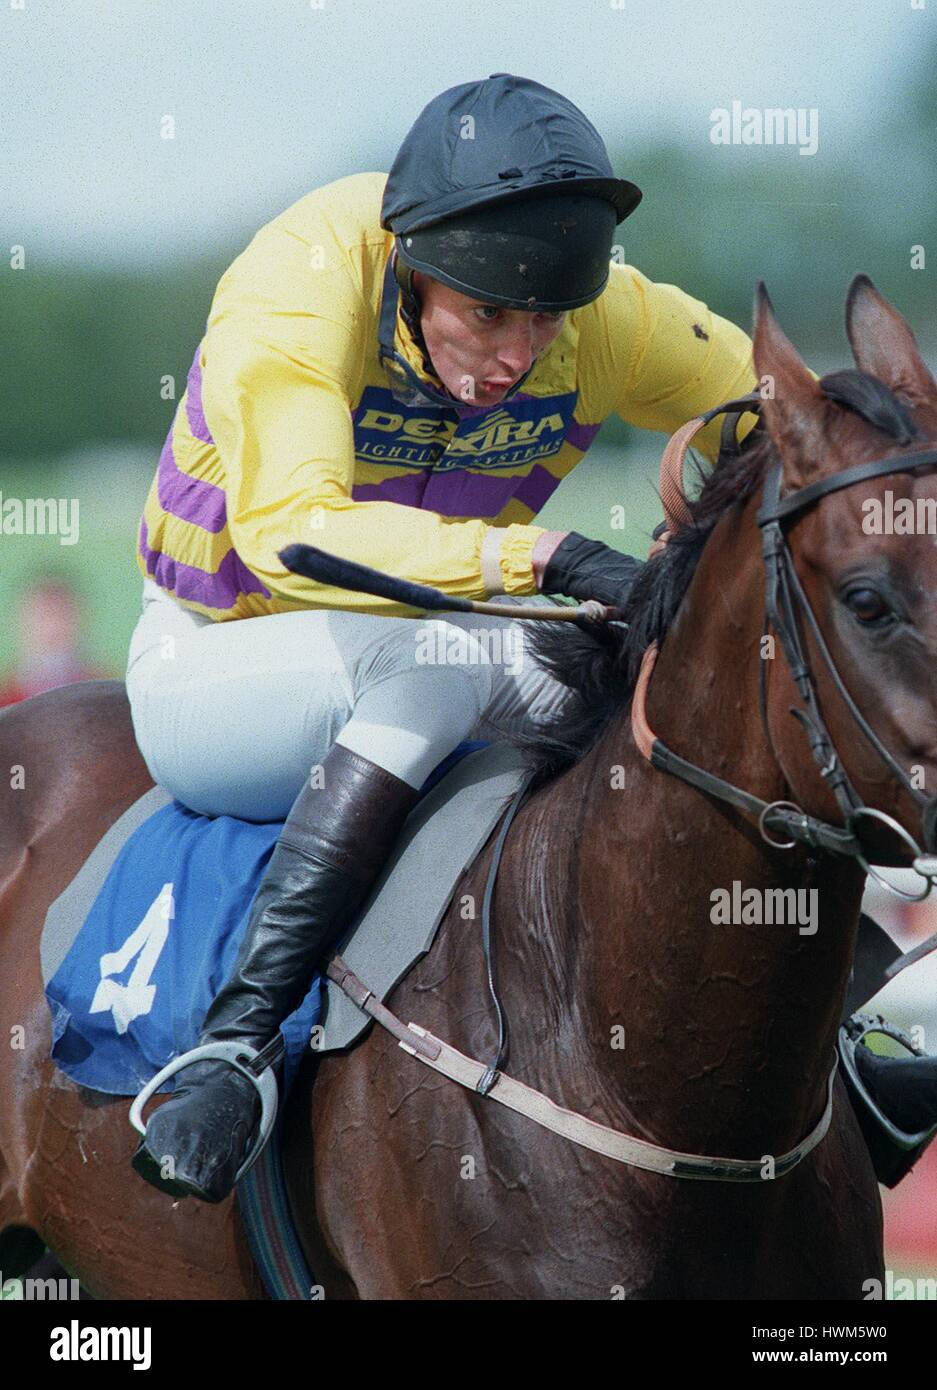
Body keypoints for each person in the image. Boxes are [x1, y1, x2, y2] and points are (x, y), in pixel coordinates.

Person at [127, 73, 937, 1204]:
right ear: (410, 269)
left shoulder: (607, 326)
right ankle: (237, 1046)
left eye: (547, 318)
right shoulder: (303, 279)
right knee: (443, 671)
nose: (517, 353)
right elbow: (290, 537)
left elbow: (803, 428)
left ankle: (840, 1044)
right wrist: (547, 560)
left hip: (430, 645)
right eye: (485, 316)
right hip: (218, 658)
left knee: (674, 695)